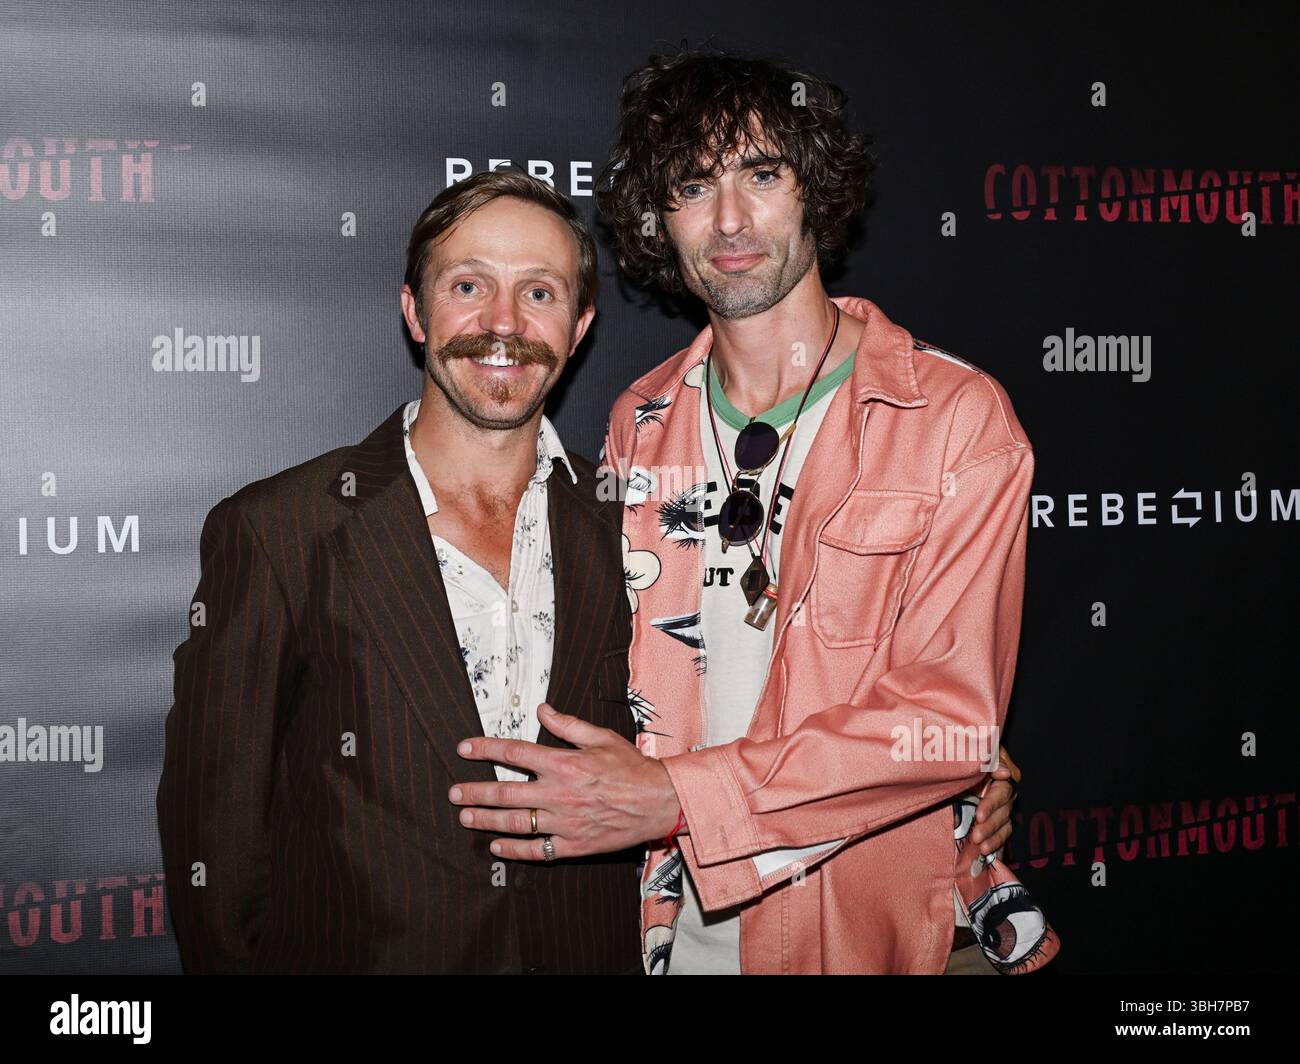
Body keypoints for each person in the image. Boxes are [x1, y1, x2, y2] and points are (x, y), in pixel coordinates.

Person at [448, 48, 1060, 976]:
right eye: (694, 186)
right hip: (676, 937)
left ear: (813, 190)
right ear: (661, 219)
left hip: (888, 935)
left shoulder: (952, 417)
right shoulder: (639, 424)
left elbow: (946, 713)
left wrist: (680, 798)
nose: (729, 220)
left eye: (762, 176)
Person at [156, 169, 644, 973]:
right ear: (416, 311)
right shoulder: (282, 530)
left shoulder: (627, 527)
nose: (502, 323)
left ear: (581, 325)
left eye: (540, 294)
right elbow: (215, 837)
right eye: (468, 285)